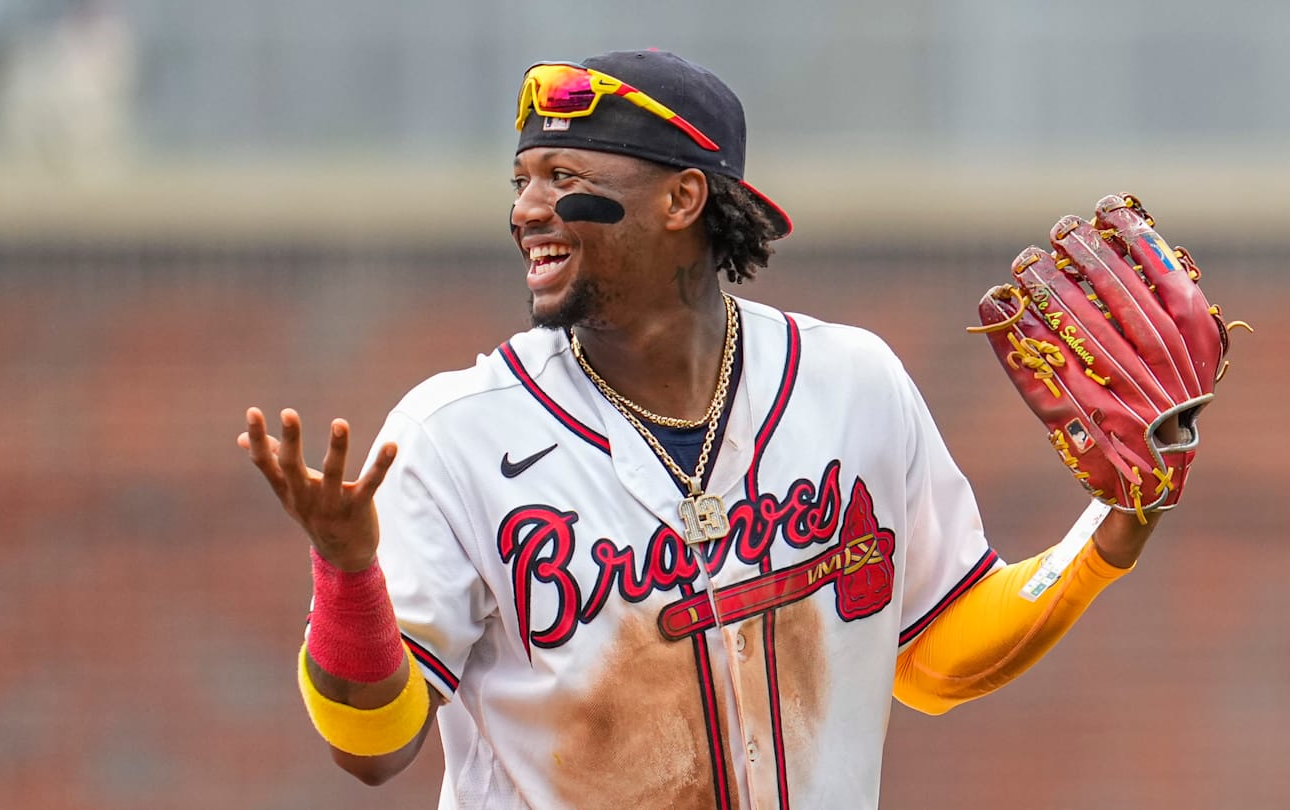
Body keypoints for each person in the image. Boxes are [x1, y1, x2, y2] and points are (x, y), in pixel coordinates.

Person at [238, 50, 1160, 809]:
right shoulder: (453, 436)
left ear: (682, 200)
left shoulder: (852, 386)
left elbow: (936, 652)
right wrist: (347, 571)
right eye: (522, 180)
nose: (527, 210)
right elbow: (372, 743)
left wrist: (1109, 532)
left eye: (567, 178)